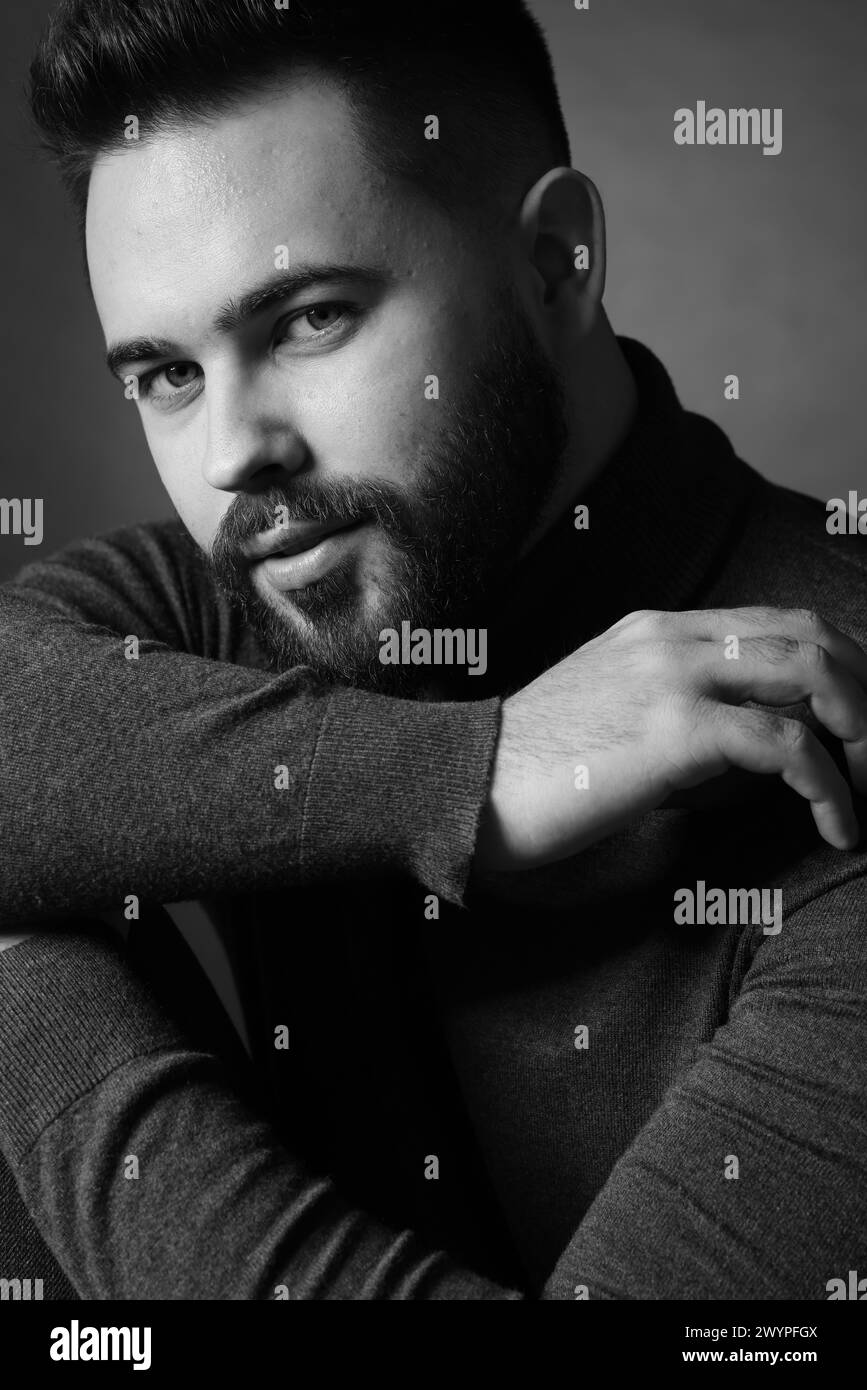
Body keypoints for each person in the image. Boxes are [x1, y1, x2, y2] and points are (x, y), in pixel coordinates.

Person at [0, 0, 865, 1301]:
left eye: (307, 321)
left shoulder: (843, 733)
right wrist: (465, 771)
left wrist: (25, 987)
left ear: (559, 261)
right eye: (167, 375)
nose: (237, 453)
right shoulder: (264, 586)